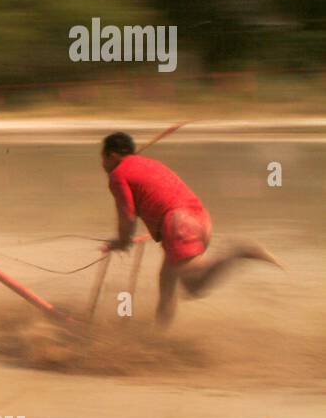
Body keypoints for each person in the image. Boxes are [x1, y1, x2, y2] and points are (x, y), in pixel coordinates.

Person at [100, 132, 279, 327]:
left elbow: (127, 215)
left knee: (195, 281)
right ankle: (160, 331)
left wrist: (122, 241)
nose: (102, 165)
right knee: (174, 282)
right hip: (198, 219)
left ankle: (237, 252)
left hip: (179, 225)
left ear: (112, 155)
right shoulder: (149, 163)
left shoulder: (118, 175)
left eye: (103, 158)